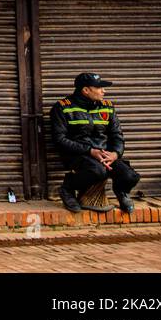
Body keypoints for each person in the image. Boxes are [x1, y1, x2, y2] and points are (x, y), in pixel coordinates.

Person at [51, 72, 140, 215]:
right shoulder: (63, 107)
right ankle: (67, 188)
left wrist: (115, 154)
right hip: (78, 155)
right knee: (99, 171)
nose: (104, 91)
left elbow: (117, 135)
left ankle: (121, 191)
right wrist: (90, 151)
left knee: (130, 176)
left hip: (105, 154)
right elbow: (59, 139)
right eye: (99, 88)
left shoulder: (107, 106)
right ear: (86, 90)